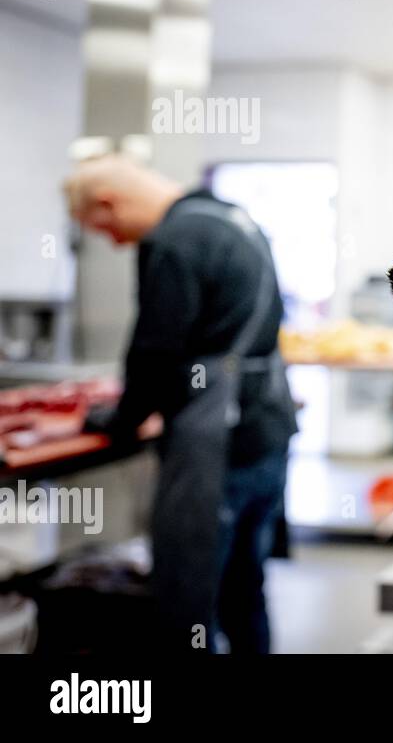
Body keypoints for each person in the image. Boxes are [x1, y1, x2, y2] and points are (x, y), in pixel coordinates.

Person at [63, 155, 297, 654]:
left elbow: (154, 352)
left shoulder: (173, 240)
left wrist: (120, 420)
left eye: (104, 229)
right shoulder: (232, 217)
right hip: (267, 429)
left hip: (215, 448)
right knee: (244, 589)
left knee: (188, 599)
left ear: (108, 202)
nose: (115, 241)